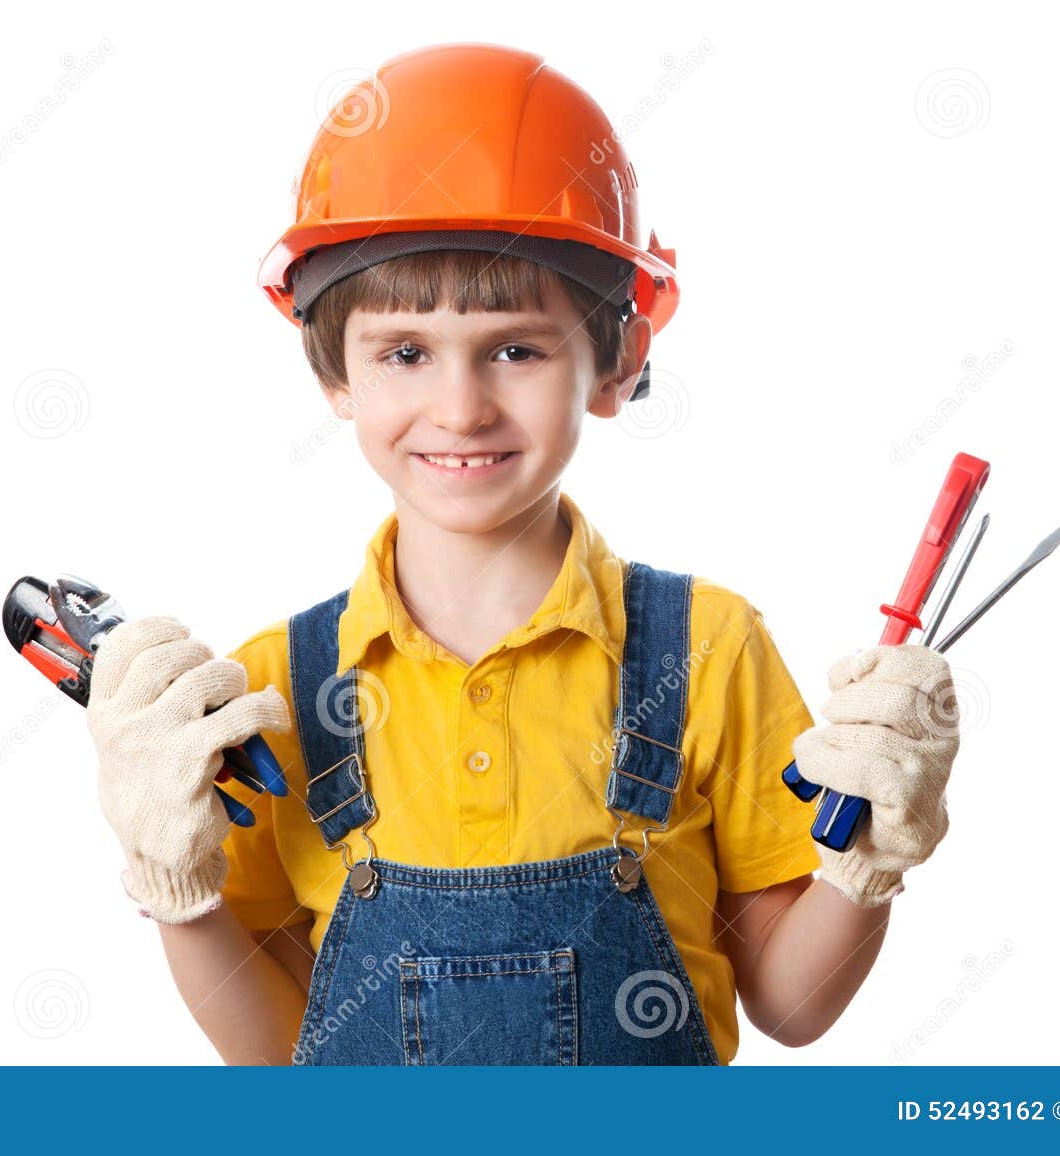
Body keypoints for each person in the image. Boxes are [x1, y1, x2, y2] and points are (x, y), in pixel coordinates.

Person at [84, 42, 959, 1065]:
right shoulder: (275, 692)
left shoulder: (706, 651)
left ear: (617, 361)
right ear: (333, 371)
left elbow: (790, 1006)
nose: (460, 408)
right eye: (404, 353)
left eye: (516, 349)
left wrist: (865, 862)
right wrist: (180, 893)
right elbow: (280, 1059)